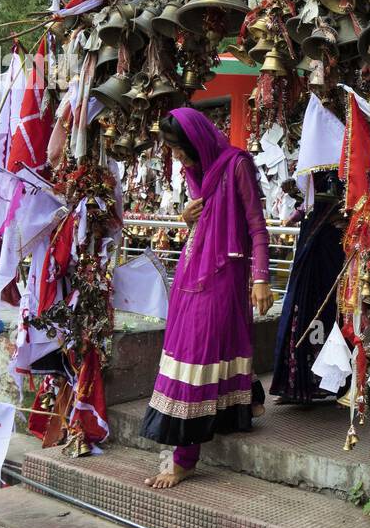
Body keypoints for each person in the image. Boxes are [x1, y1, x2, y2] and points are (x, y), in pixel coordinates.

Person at [142, 108, 273, 489]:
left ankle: (185, 458)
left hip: (223, 276)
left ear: (198, 141)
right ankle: (243, 407)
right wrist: (186, 217)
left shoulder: (236, 166)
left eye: (182, 151)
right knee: (208, 348)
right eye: (174, 153)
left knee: (197, 355)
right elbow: (205, 220)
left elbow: (258, 228)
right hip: (190, 272)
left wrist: (262, 278)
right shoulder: (195, 172)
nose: (179, 160)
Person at [270, 171, 346, 404]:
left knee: (331, 310)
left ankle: (327, 382)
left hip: (332, 243)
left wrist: (346, 215)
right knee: (301, 306)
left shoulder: (344, 160)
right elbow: (309, 201)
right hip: (311, 242)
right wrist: (298, 210)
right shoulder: (314, 167)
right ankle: (297, 383)